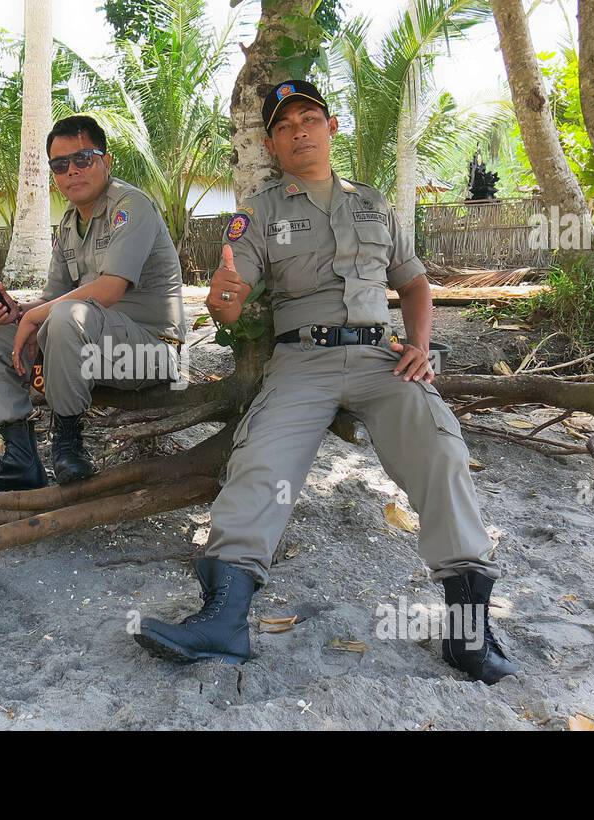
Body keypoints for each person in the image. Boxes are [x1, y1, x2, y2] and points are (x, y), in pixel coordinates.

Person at [133, 81, 517, 684]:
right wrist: (224, 300)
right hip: (301, 362)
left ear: (331, 127)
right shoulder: (257, 214)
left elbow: (413, 283)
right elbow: (232, 306)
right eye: (285, 126)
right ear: (272, 142)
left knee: (442, 451)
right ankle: (224, 619)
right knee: (261, 462)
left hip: (380, 357)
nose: (300, 132)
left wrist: (420, 346)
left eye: (310, 119)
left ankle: (467, 628)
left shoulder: (372, 203)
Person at [0, 115, 186, 490]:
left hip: (150, 353)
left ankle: (69, 444)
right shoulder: (69, 222)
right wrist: (18, 311)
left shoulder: (130, 207)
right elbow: (53, 298)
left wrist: (39, 315)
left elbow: (110, 289)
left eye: (84, 159)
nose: (72, 172)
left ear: (106, 161)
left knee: (68, 316)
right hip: (91, 346)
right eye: (60, 164)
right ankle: (21, 459)